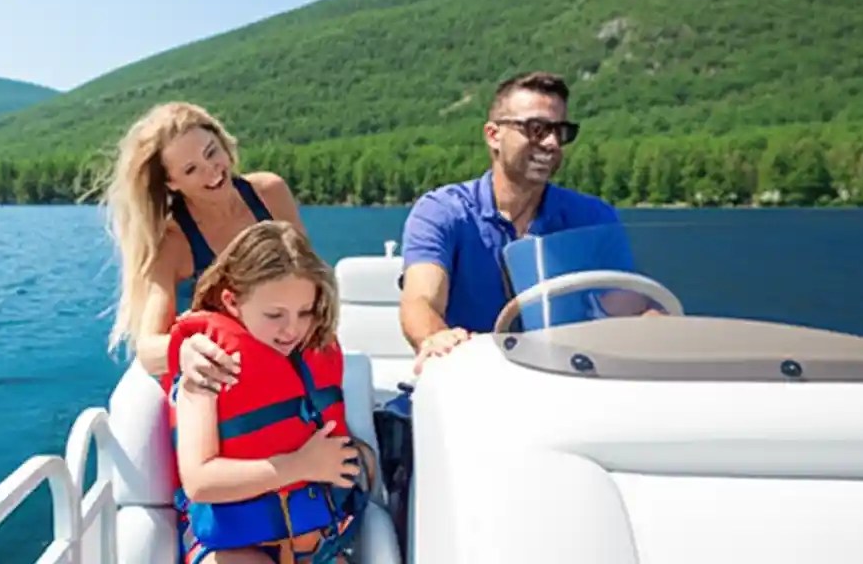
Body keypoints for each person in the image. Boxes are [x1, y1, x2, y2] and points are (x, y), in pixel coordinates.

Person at [398, 71, 657, 375]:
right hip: (470, 381)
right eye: (536, 129)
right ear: (493, 135)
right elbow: (420, 301)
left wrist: (659, 328)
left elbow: (627, 309)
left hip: (565, 383)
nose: (552, 143)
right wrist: (436, 337)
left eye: (560, 131)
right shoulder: (443, 212)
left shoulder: (593, 218)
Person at [163, 221, 374, 564]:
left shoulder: (314, 354)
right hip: (231, 549)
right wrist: (300, 465)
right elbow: (200, 482)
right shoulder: (208, 368)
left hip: (316, 545)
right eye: (275, 314)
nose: (292, 329)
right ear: (232, 301)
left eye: (305, 312)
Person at [102, 101, 306, 385]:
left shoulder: (271, 194)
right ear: (171, 183)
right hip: (225, 375)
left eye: (211, 152)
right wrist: (185, 351)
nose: (212, 171)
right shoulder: (174, 243)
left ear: (223, 143)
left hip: (288, 350)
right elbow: (148, 348)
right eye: (191, 169)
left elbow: (309, 275)